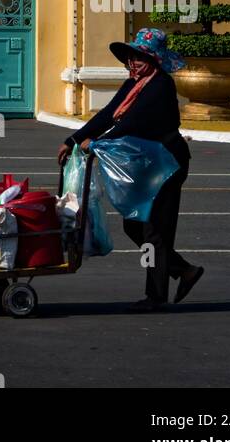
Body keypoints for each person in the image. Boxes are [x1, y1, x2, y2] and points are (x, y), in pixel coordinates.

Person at [57, 27, 204, 312]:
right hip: (148, 164)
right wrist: (72, 140)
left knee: (155, 229)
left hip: (168, 164)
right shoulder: (135, 83)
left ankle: (156, 295)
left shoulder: (160, 85)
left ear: (155, 60)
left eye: (140, 57)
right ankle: (183, 270)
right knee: (135, 224)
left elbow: (134, 122)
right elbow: (108, 114)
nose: (133, 62)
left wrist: (98, 143)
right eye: (131, 57)